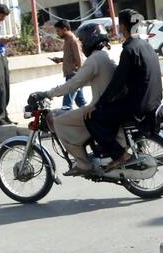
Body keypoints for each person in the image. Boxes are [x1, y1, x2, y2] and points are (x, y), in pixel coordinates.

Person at [36, 24, 118, 173]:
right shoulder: (104, 56)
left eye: (83, 40)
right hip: (106, 106)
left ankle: (83, 163)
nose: (82, 44)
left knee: (60, 121)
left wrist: (47, 93)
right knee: (78, 108)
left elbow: (73, 84)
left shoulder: (94, 60)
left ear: (89, 40)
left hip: (100, 109)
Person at [86, 20, 163, 172]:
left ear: (122, 27)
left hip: (137, 105)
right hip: (154, 101)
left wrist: (99, 103)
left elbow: (117, 82)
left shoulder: (129, 49)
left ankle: (119, 154)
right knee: (108, 111)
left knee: (92, 117)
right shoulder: (146, 46)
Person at [53, 19, 88, 108]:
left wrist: (79, 76)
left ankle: (65, 120)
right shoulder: (67, 40)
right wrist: (60, 60)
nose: (57, 33)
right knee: (81, 102)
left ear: (64, 29)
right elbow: (70, 57)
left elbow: (79, 59)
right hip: (71, 75)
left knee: (66, 105)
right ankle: (92, 117)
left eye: (58, 31)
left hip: (74, 75)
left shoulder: (73, 40)